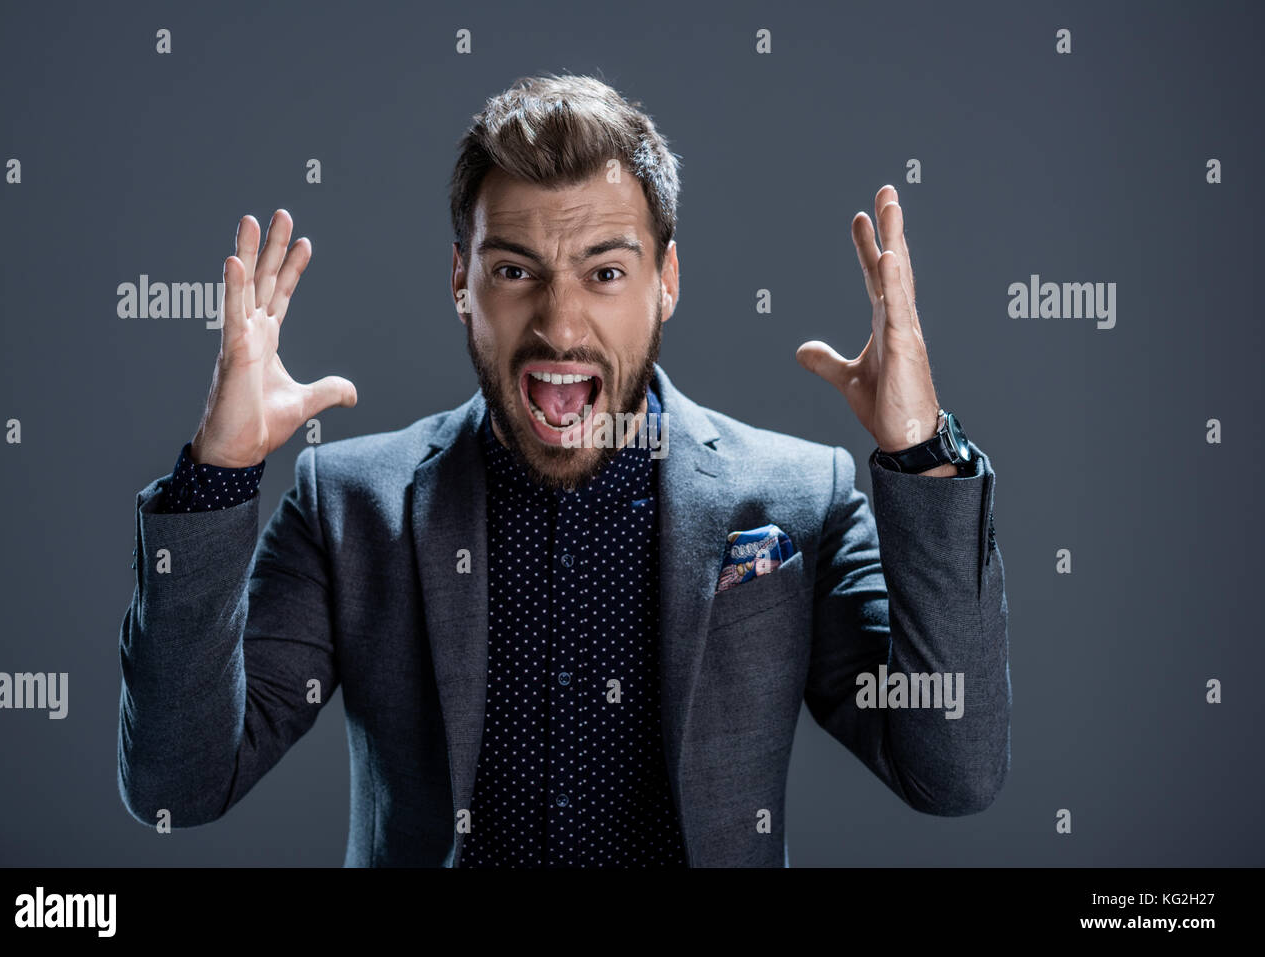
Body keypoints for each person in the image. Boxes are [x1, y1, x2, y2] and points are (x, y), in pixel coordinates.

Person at [117, 73, 1010, 867]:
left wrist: (922, 455)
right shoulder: (351, 506)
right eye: (516, 270)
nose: (560, 323)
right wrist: (220, 472)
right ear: (461, 281)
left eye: (605, 272)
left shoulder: (797, 501)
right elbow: (179, 787)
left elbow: (953, 770)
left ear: (666, 280)